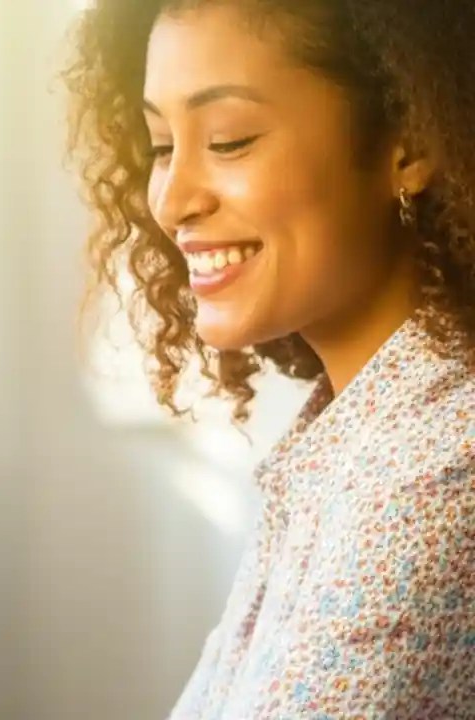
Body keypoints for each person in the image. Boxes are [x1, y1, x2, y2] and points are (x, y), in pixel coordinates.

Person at [63, 0, 475, 717]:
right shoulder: (347, 449)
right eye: (162, 145)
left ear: (407, 143)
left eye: (229, 140)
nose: (173, 199)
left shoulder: (436, 467)